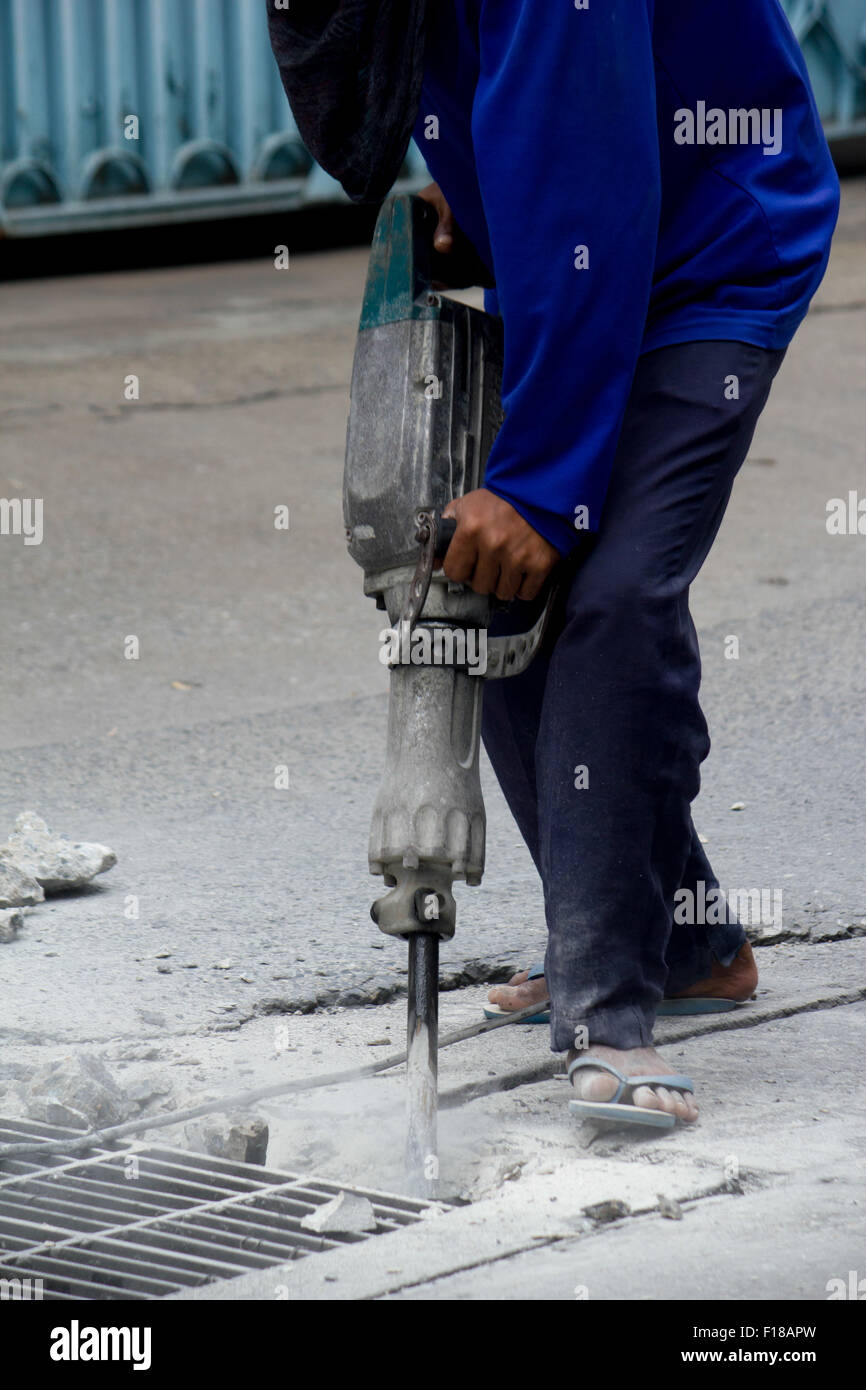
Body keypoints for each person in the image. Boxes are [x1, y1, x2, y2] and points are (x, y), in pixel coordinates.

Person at [269, 0, 839, 1126]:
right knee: (505, 581)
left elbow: (582, 164)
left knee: (609, 586)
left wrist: (538, 484)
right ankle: (685, 941)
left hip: (713, 251)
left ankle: (609, 1009)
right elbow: (529, 109)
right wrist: (475, 187)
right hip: (596, 245)